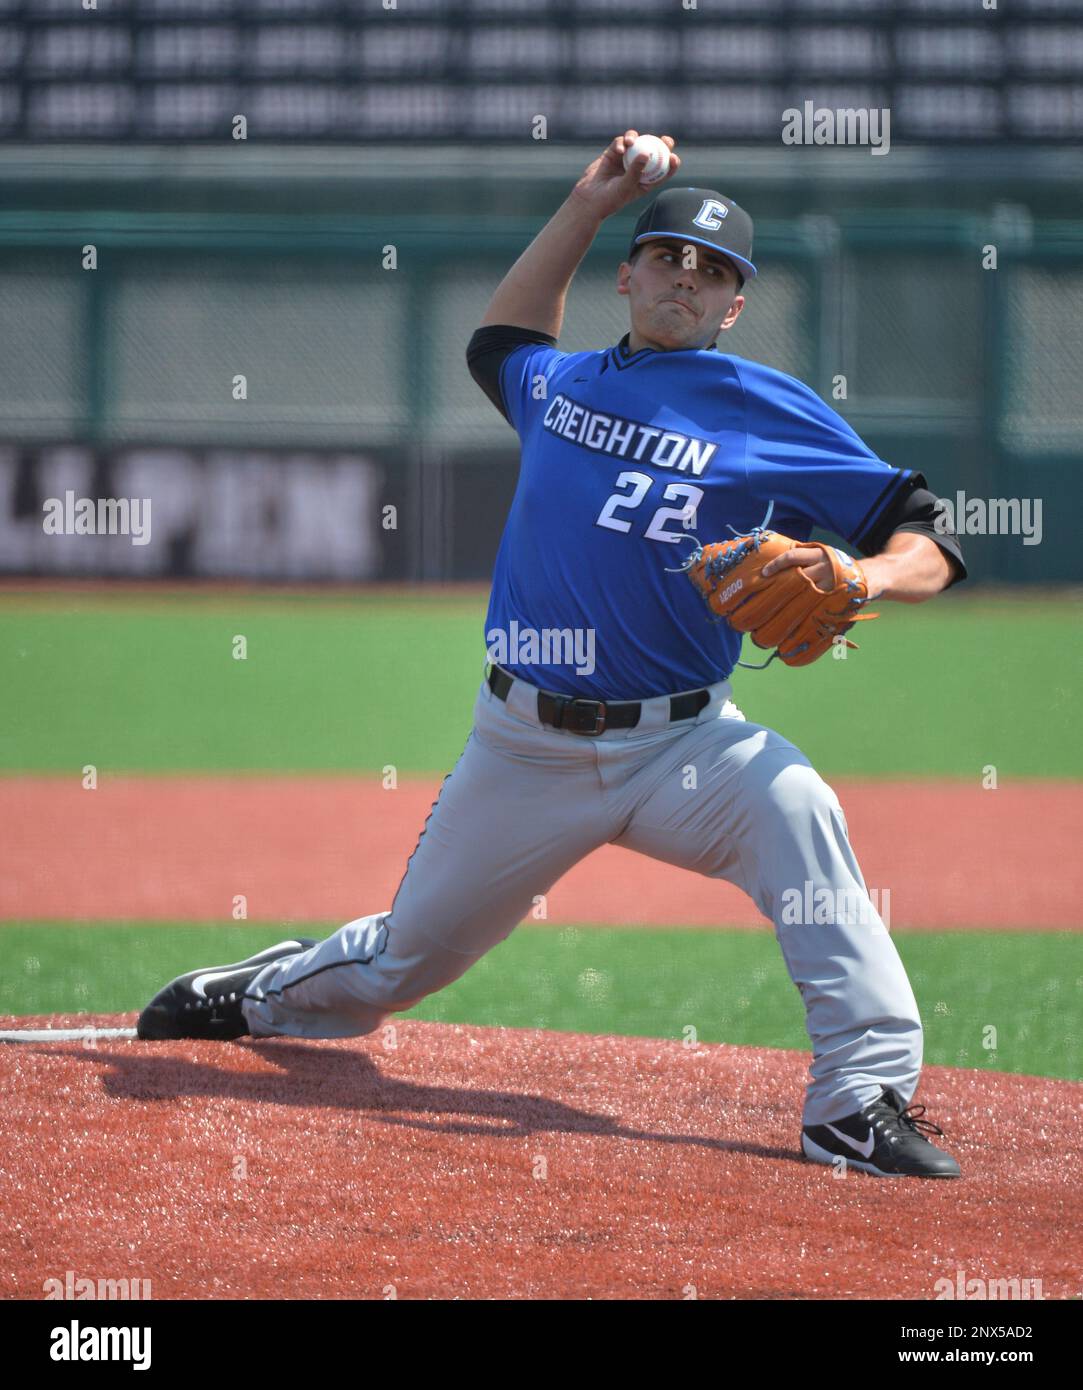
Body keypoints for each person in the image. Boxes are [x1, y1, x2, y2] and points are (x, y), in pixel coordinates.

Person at [138, 131, 967, 1179]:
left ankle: (859, 1096)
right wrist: (589, 199)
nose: (689, 279)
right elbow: (495, 341)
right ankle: (266, 991)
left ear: (736, 306)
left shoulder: (771, 414)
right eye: (670, 257)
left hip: (686, 747)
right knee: (402, 962)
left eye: (716, 273)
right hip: (525, 746)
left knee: (798, 806)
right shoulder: (560, 387)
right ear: (628, 274)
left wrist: (866, 577)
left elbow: (930, 536)